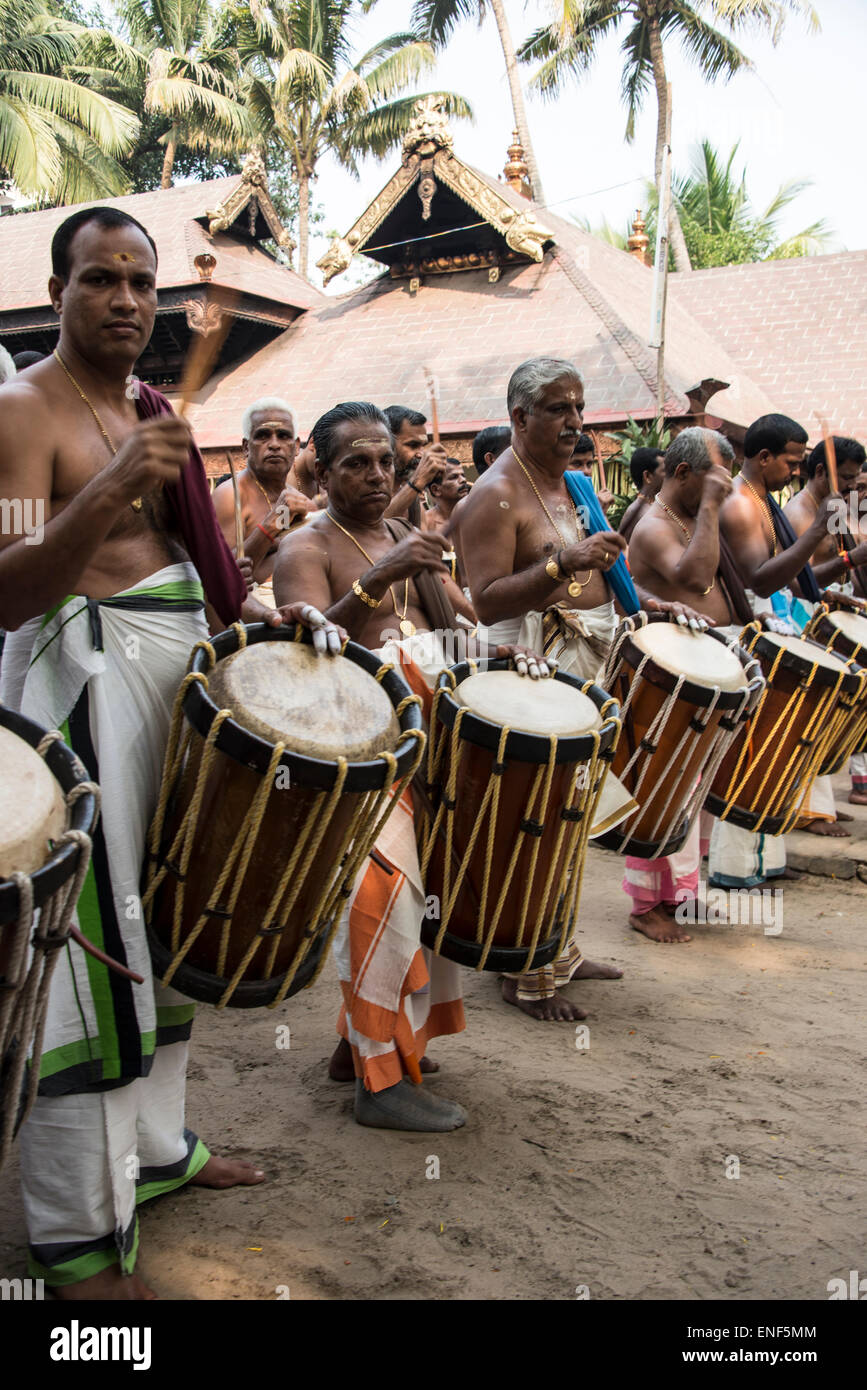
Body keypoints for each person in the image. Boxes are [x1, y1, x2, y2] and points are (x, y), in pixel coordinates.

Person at [0, 205, 340, 1300]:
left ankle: (154, 1153)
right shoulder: (21, 412)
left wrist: (265, 624)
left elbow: (209, 576)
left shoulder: (150, 407)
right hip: (84, 707)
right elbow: (11, 590)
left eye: (142, 282)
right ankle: (79, 1240)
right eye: (100, 279)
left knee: (171, 925)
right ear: (57, 292)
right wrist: (108, 484)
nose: (128, 301)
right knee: (89, 961)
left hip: (175, 693)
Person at [273, 401, 550, 1127]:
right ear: (324, 469)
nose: (374, 474)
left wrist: (496, 651)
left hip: (430, 751)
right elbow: (308, 654)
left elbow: (456, 623)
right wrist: (381, 574)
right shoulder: (304, 547)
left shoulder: (404, 532)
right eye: (355, 463)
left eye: (383, 462)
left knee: (432, 901)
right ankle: (378, 1085)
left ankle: (364, 1048)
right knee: (383, 906)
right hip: (358, 757)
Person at [456, 358, 709, 1019]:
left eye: (578, 406)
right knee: (534, 820)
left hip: (589, 662)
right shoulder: (493, 495)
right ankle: (525, 972)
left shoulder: (571, 485)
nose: (574, 421)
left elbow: (604, 575)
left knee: (570, 823)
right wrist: (557, 563)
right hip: (531, 668)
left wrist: (646, 605)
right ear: (518, 418)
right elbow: (483, 603)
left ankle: (558, 948)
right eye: (557, 409)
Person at [625, 427, 741, 942]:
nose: (726, 489)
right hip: (662, 676)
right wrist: (713, 506)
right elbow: (694, 580)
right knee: (657, 783)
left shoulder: (689, 518)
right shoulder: (653, 525)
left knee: (688, 784)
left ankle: (681, 894)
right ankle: (646, 904)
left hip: (692, 673)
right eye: (717, 480)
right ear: (682, 473)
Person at [710, 412, 823, 888]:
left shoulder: (762, 500)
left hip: (768, 631)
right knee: (751, 750)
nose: (795, 471)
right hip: (745, 635)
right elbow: (760, 577)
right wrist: (817, 535)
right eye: (792, 462)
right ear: (763, 457)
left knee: (775, 749)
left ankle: (763, 860)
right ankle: (734, 868)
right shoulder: (739, 504)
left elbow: (791, 578)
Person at [783, 436, 867, 835]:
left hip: (830, 619)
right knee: (808, 721)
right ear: (821, 472)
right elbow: (799, 582)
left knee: (827, 720)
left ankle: (821, 807)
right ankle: (808, 812)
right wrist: (852, 558)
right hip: (806, 624)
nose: (853, 486)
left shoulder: (831, 508)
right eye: (847, 479)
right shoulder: (799, 512)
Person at [212, 399, 314, 607]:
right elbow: (218, 577)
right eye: (262, 436)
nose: (274, 444)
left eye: (283, 436)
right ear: (246, 447)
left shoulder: (298, 499)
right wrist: (271, 525)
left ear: (296, 447)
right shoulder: (231, 495)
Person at [382, 404, 449, 524]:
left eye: (423, 446)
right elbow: (375, 528)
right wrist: (417, 483)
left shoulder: (414, 502)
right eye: (412, 445)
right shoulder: (369, 494)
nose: (421, 454)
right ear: (387, 443)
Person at [619, 446, 666, 542]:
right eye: (665, 471)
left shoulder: (652, 506)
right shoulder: (640, 511)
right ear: (647, 476)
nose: (670, 475)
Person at [571, 431, 615, 518]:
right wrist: (596, 511)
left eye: (589, 464)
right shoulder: (553, 501)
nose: (586, 471)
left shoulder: (588, 499)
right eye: (577, 464)